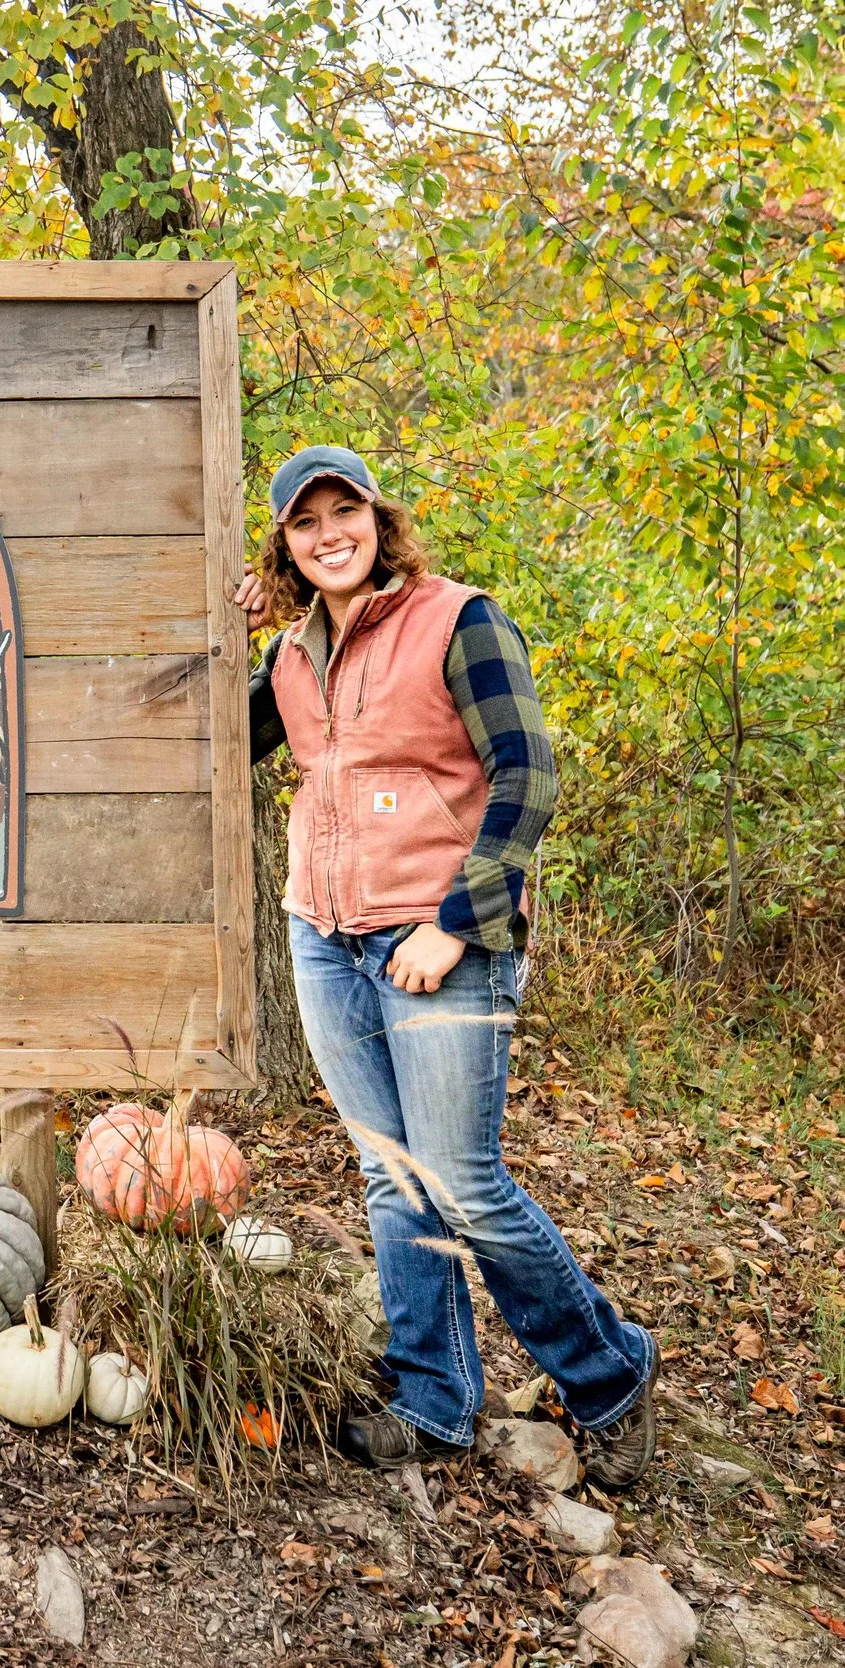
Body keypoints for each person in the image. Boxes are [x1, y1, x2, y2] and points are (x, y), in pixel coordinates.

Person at [239, 446, 656, 1487]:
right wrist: (221, 621)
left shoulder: (457, 618)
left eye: (347, 512)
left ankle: (606, 1377)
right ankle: (432, 1400)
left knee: (461, 1182)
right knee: (391, 1177)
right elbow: (205, 735)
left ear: (378, 521)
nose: (330, 533)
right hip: (323, 935)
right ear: (284, 545)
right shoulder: (289, 657)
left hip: (436, 938)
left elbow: (527, 774)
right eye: (305, 523)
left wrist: (456, 924)